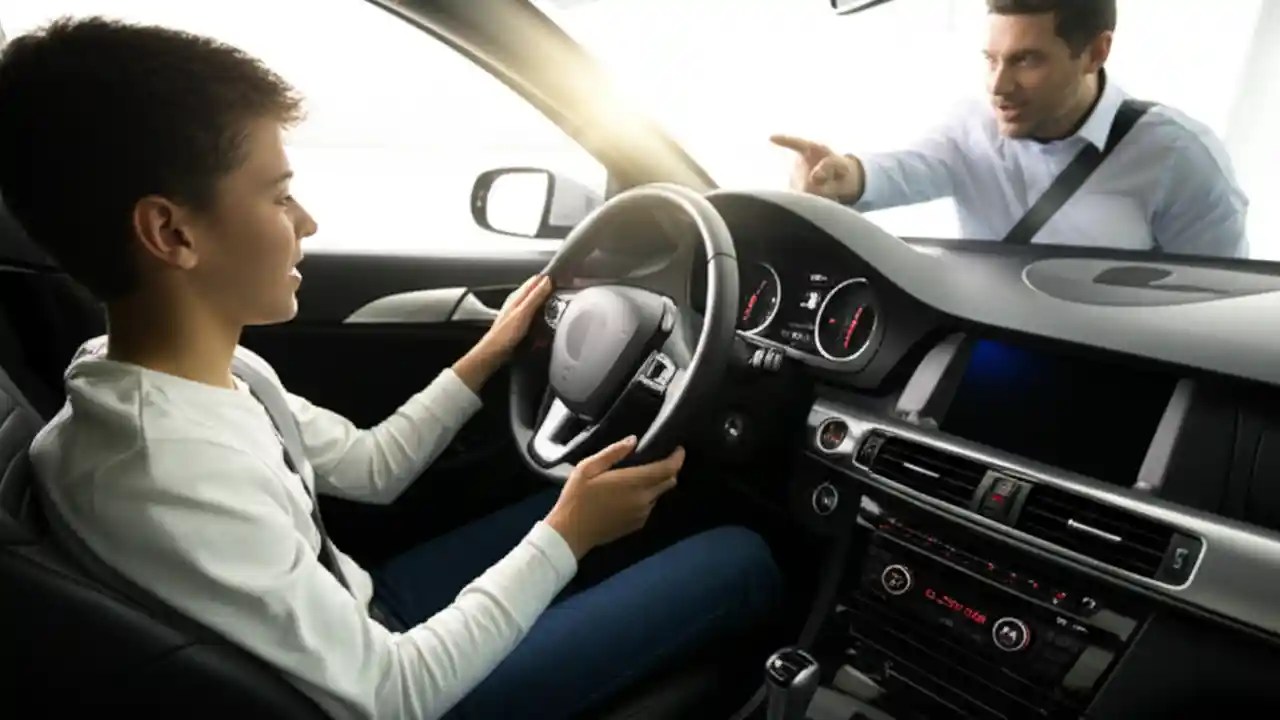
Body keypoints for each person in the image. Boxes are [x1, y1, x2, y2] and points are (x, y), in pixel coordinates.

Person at [0, 17, 781, 720]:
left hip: (358, 615)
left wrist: (484, 358)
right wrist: (566, 537)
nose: (307, 222)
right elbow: (395, 696)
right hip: (400, 690)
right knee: (736, 557)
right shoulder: (163, 468)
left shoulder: (164, 371)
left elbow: (372, 469)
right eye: (279, 197)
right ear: (171, 233)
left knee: (664, 500)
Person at [773, 0, 1249, 258]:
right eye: (992, 59)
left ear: (1096, 53)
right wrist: (844, 178)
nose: (998, 85)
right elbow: (906, 168)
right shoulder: (971, 126)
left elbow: (1219, 307)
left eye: (1026, 60)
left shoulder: (1182, 160)